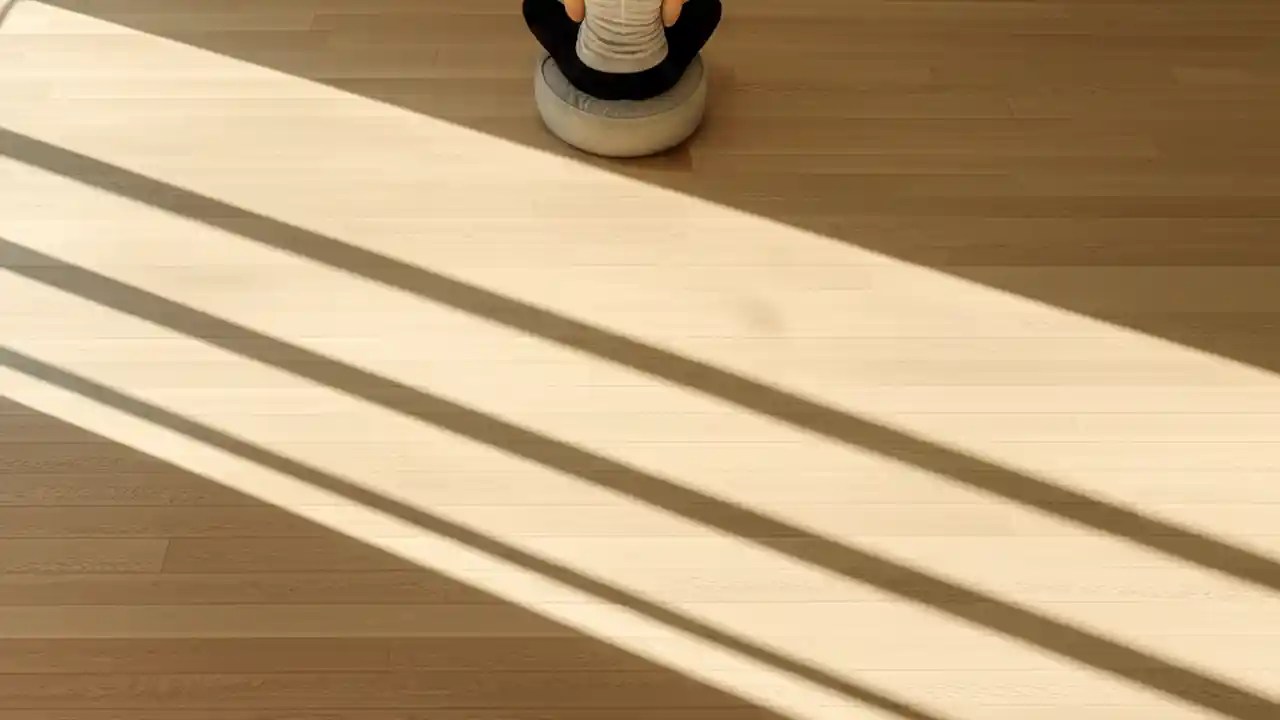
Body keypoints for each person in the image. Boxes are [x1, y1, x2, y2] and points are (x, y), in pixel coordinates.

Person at [523, 0, 722, 102]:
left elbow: (575, 16)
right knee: (710, 6)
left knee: (534, 5)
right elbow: (669, 20)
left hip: (591, 78)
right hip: (655, 79)